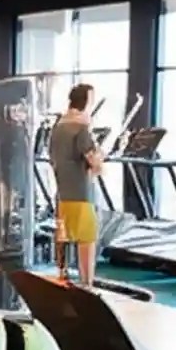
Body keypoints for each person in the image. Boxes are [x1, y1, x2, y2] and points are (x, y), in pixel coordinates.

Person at [47, 84, 105, 287]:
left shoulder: (58, 127)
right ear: (87, 102)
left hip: (62, 192)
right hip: (81, 193)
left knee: (63, 235)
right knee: (86, 239)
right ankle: (87, 282)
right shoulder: (81, 130)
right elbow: (95, 163)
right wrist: (100, 157)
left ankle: (62, 275)